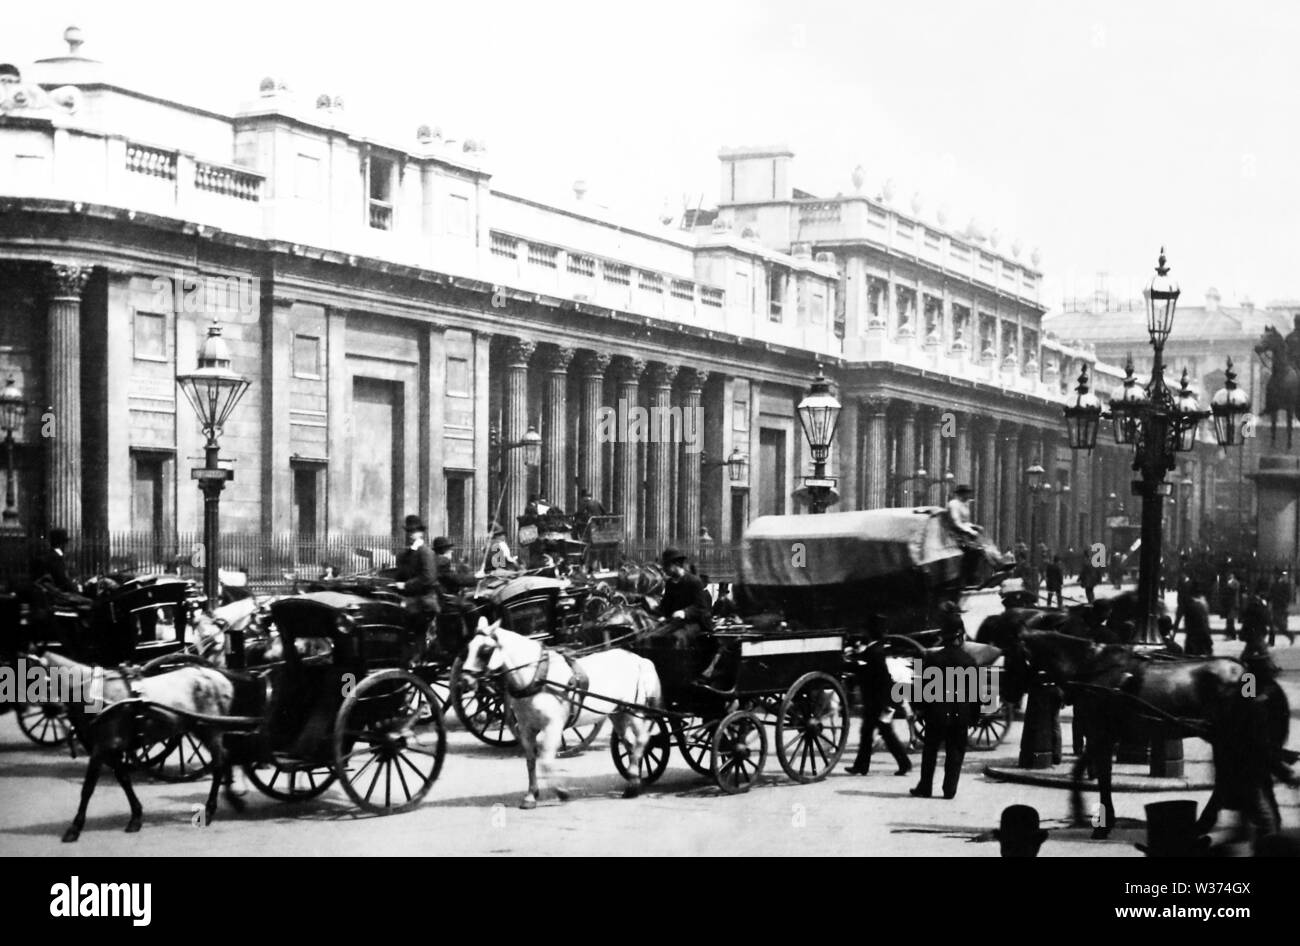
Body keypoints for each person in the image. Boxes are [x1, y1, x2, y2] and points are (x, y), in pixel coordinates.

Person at [910, 603, 978, 800]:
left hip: (937, 713)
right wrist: (974, 716)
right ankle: (950, 789)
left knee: (930, 751)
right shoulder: (969, 661)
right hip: (960, 714)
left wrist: (920, 709)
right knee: (955, 751)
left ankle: (925, 787)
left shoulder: (933, 659)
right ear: (960, 635)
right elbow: (975, 695)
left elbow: (921, 689)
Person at [845, 646, 913, 778]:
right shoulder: (873, 658)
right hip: (876, 704)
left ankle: (904, 763)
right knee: (868, 733)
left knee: (884, 734)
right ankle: (861, 766)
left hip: (881, 704)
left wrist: (886, 705)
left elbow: (883, 683)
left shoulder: (874, 657)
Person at [394, 515, 441, 630]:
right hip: (412, 600)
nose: (410, 534)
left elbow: (428, 578)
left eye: (414, 531)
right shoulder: (406, 554)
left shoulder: (426, 552)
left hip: (424, 601)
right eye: (409, 531)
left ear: (421, 533)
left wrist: (406, 585)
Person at [1182, 589, 1214, 657]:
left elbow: (1202, 623)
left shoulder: (1194, 606)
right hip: (1198, 639)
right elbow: (1204, 623)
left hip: (1195, 639)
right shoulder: (1201, 604)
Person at [1269, 569, 1293, 646]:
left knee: (1277, 624)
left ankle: (1289, 635)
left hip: (1281, 606)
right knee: (1273, 623)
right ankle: (1271, 641)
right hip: (1275, 606)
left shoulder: (1285, 585)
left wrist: (1285, 603)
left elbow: (1288, 596)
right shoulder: (1274, 584)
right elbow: (1271, 594)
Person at [1223, 571, 1241, 640]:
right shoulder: (1229, 582)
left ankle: (1231, 634)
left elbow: (1234, 590)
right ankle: (1231, 634)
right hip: (1230, 603)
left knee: (1230, 619)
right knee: (1230, 619)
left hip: (1233, 603)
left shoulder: (1234, 583)